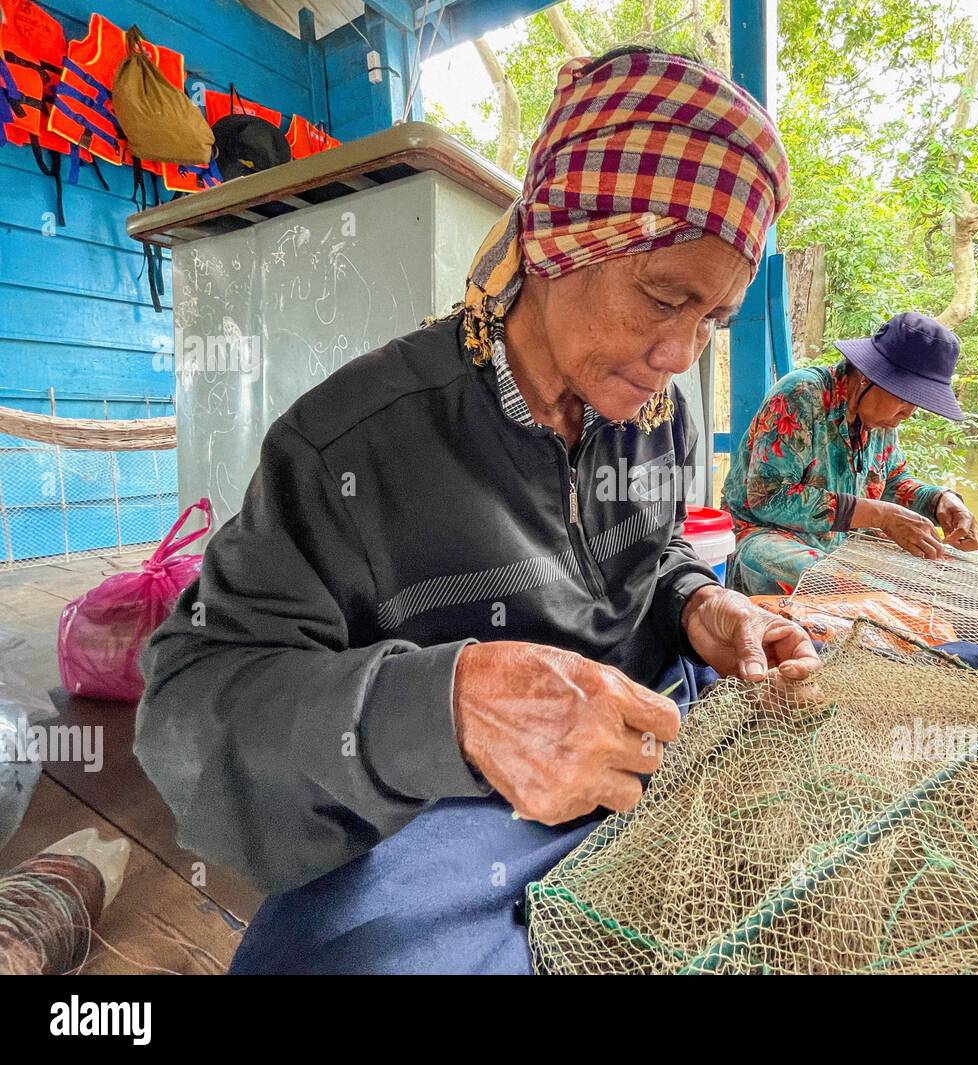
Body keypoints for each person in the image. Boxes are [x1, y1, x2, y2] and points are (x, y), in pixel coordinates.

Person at [133, 46, 817, 973]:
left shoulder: (658, 420)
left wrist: (702, 602)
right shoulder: (351, 445)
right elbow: (190, 711)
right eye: (663, 296)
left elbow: (649, 557)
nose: (680, 354)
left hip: (659, 735)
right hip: (468, 821)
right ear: (558, 239)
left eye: (714, 320)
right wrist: (450, 707)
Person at [723, 311, 978, 595]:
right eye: (905, 398)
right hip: (762, 536)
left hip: (837, 543)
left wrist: (941, 501)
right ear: (868, 377)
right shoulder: (801, 393)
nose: (908, 413)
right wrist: (880, 515)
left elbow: (893, 483)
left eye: (916, 404)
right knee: (851, 587)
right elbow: (767, 497)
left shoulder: (879, 422)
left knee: (927, 579)